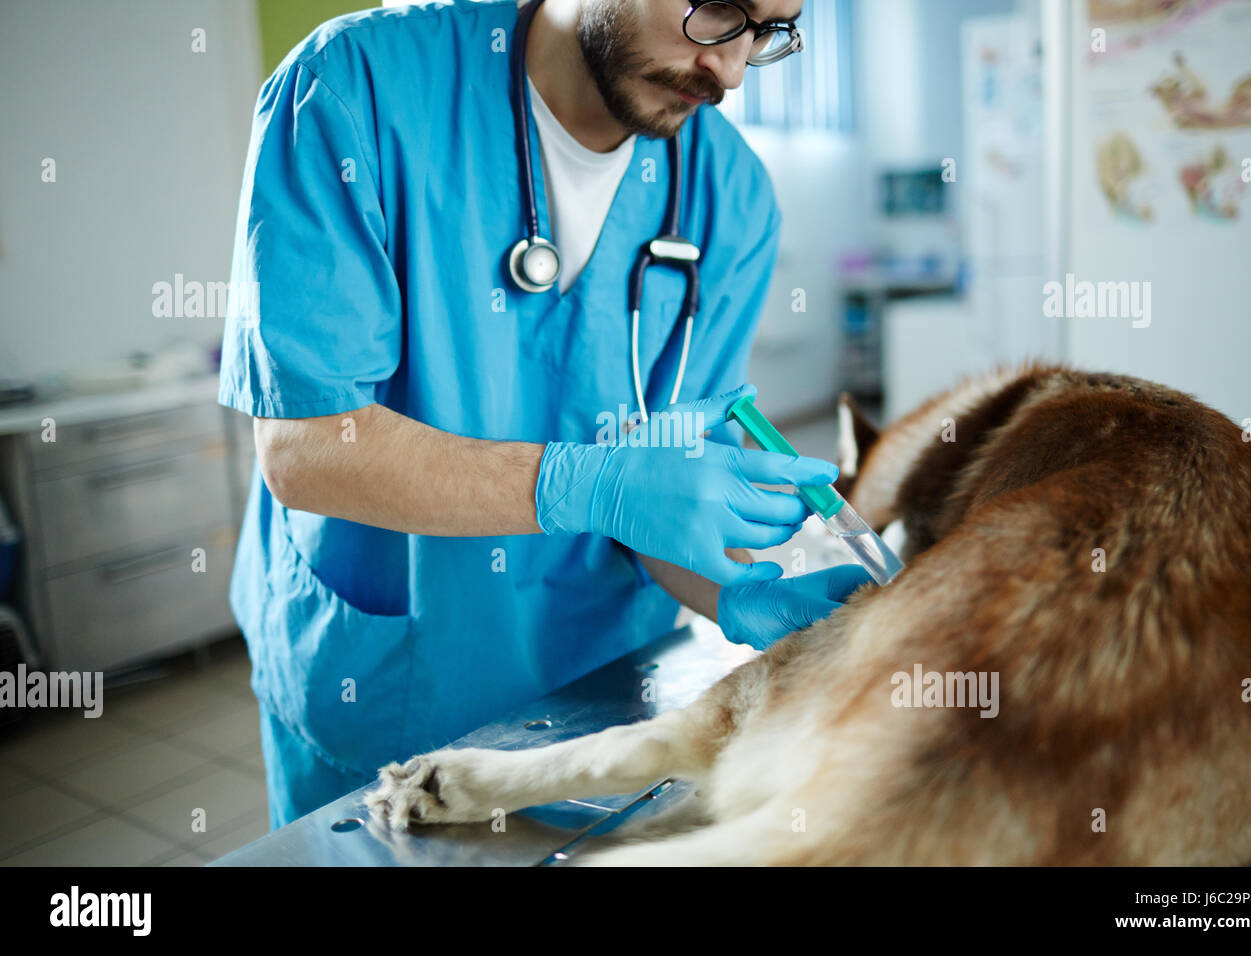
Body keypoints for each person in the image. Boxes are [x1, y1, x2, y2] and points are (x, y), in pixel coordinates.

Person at [218, 0, 868, 830]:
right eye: (715, 9)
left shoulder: (728, 193)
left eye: (768, 30)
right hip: (380, 680)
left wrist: (740, 588)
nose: (731, 69)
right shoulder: (354, 93)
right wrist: (586, 482)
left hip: (584, 693)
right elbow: (308, 450)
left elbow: (656, 487)